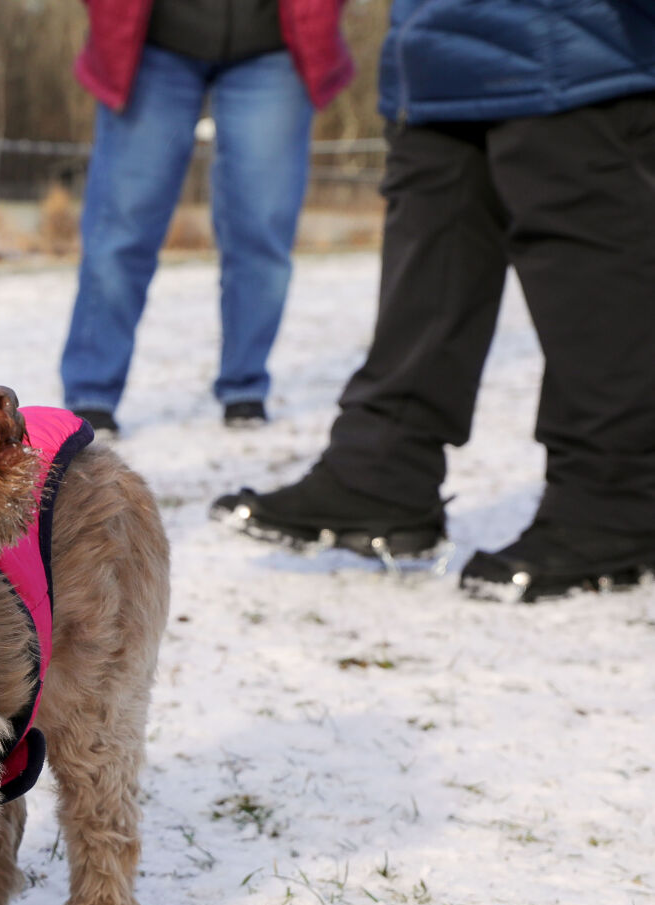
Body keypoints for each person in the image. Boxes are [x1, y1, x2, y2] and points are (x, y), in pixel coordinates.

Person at [212, 0, 655, 603]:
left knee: (588, 272)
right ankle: (383, 472)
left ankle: (613, 500)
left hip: (579, 43)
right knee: (430, 262)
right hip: (431, 52)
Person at [61, 0, 352, 437]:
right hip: (151, 36)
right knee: (122, 228)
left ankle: (245, 385)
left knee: (263, 228)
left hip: (276, 40)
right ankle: (91, 393)